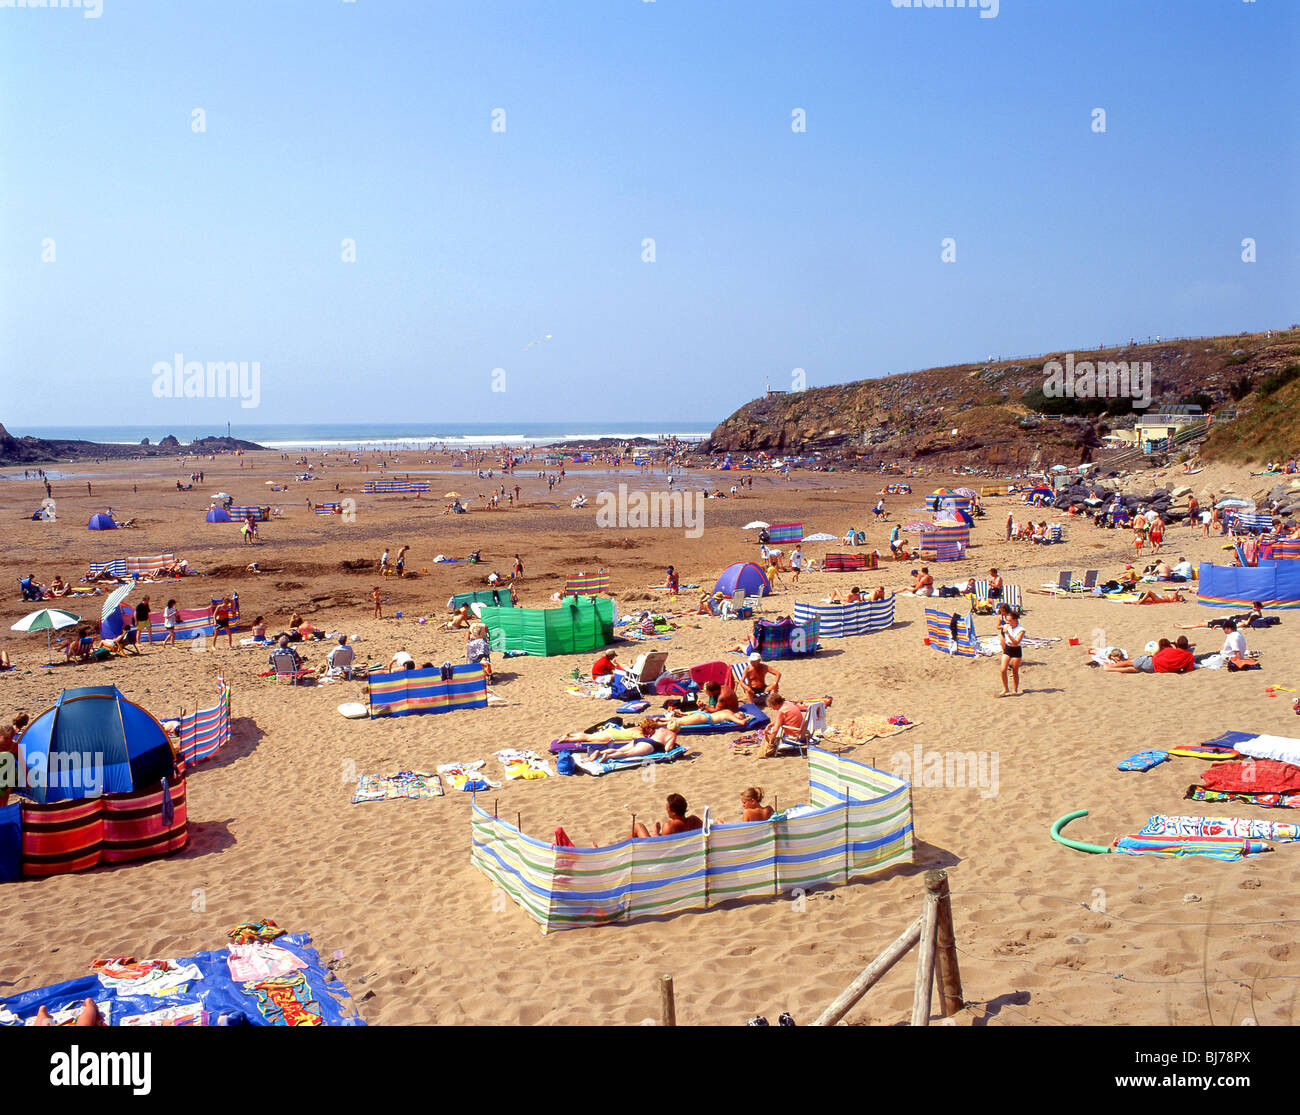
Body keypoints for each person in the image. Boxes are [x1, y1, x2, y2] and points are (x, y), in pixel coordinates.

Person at [591, 719, 680, 763]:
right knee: (627, 754)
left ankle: (599, 752)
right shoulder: (672, 735)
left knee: (619, 750)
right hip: (650, 745)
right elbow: (668, 748)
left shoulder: (660, 729)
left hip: (642, 740)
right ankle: (608, 756)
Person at [631, 793, 703, 838]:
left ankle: (622, 849)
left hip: (661, 854)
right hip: (687, 850)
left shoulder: (669, 826)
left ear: (673, 812)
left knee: (638, 826)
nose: (666, 810)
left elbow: (658, 845)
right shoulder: (695, 820)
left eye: (667, 808)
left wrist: (655, 831)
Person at [997, 607, 1024, 697]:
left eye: (1010, 620)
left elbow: (1016, 642)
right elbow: (999, 629)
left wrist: (1008, 634)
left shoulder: (1021, 630)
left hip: (1016, 649)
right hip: (1008, 648)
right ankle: (1005, 688)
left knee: (1015, 671)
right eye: (1007, 620)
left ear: (1015, 620)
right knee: (1003, 669)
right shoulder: (1006, 626)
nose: (1008, 622)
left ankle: (1015, 689)